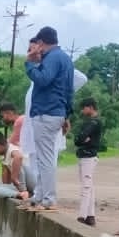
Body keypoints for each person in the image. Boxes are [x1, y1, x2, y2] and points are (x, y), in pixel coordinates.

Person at [21, 26, 75, 212]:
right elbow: (69, 91)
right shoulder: (66, 59)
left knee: (45, 159)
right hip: (57, 112)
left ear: (42, 43)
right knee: (45, 157)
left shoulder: (51, 58)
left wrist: (29, 63)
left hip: (46, 112)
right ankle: (39, 195)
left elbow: (43, 79)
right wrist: (66, 115)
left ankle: (48, 198)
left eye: (38, 45)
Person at [72, 98, 103, 226]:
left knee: (86, 186)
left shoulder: (94, 122)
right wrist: (82, 139)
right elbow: (78, 139)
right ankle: (90, 216)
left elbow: (80, 137)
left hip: (88, 156)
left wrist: (83, 139)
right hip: (86, 155)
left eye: (83, 108)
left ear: (90, 107)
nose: (82, 111)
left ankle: (82, 215)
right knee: (89, 186)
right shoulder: (90, 122)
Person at [0, 103, 34, 195]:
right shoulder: (24, 119)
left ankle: (9, 187)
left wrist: (3, 143)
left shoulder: (19, 121)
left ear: (9, 113)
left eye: (3, 116)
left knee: (6, 159)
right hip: (31, 151)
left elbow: (11, 142)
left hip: (28, 154)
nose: (3, 119)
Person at [0, 131, 30, 201]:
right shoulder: (5, 156)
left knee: (16, 164)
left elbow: (18, 157)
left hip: (31, 182)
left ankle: (23, 192)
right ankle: (20, 194)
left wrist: (14, 177)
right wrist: (4, 166)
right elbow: (6, 183)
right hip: (21, 186)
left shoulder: (12, 149)